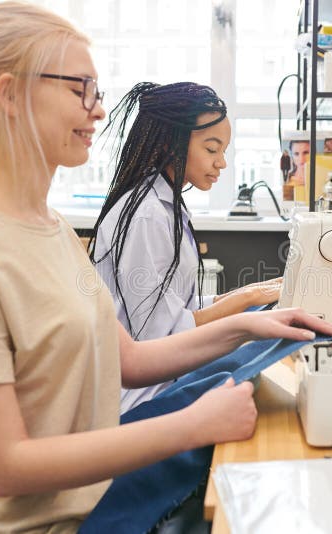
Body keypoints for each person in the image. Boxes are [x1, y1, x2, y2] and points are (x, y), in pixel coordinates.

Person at [0, 3, 332, 532]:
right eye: (78, 89)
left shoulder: (57, 232)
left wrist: (249, 325)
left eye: (97, 92)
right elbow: (5, 467)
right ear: (10, 92)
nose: (98, 112)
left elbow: (128, 358)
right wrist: (190, 426)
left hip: (83, 504)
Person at [91, 82, 282, 412]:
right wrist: (248, 299)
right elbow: (157, 336)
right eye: (211, 149)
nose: (221, 163)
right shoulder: (147, 214)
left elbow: (176, 307)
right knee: (259, 365)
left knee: (261, 342)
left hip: (159, 379)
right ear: (172, 142)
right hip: (141, 398)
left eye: (223, 152)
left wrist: (249, 294)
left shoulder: (163, 204)